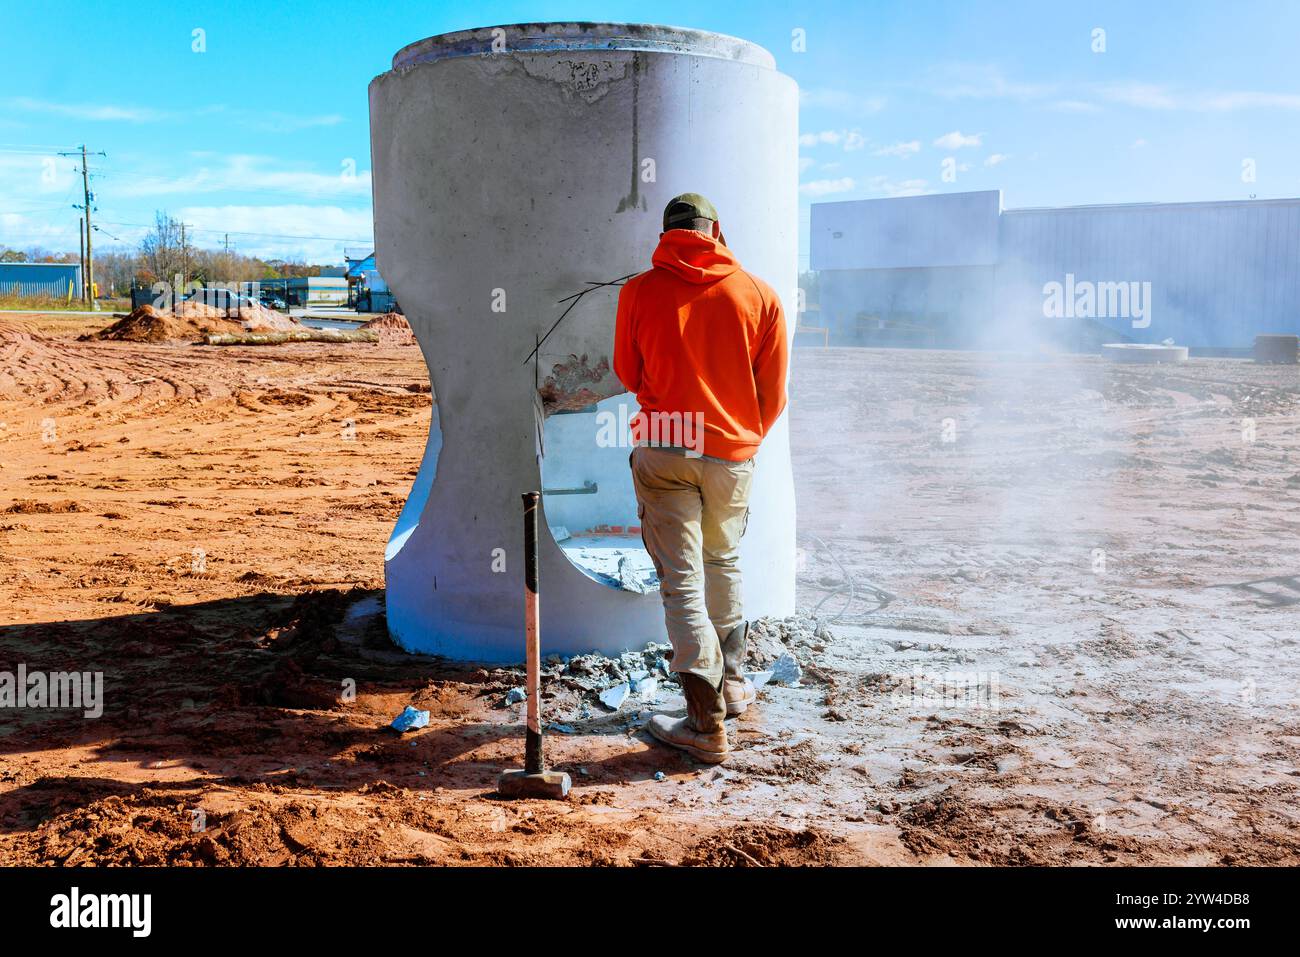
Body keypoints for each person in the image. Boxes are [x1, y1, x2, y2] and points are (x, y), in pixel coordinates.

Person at [613, 192, 789, 764]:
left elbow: (626, 371)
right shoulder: (759, 295)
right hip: (731, 453)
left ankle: (704, 722)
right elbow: (773, 393)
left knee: (682, 580)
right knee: (722, 561)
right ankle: (732, 688)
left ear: (664, 236)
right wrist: (737, 437)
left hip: (665, 442)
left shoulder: (638, 291)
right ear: (719, 231)